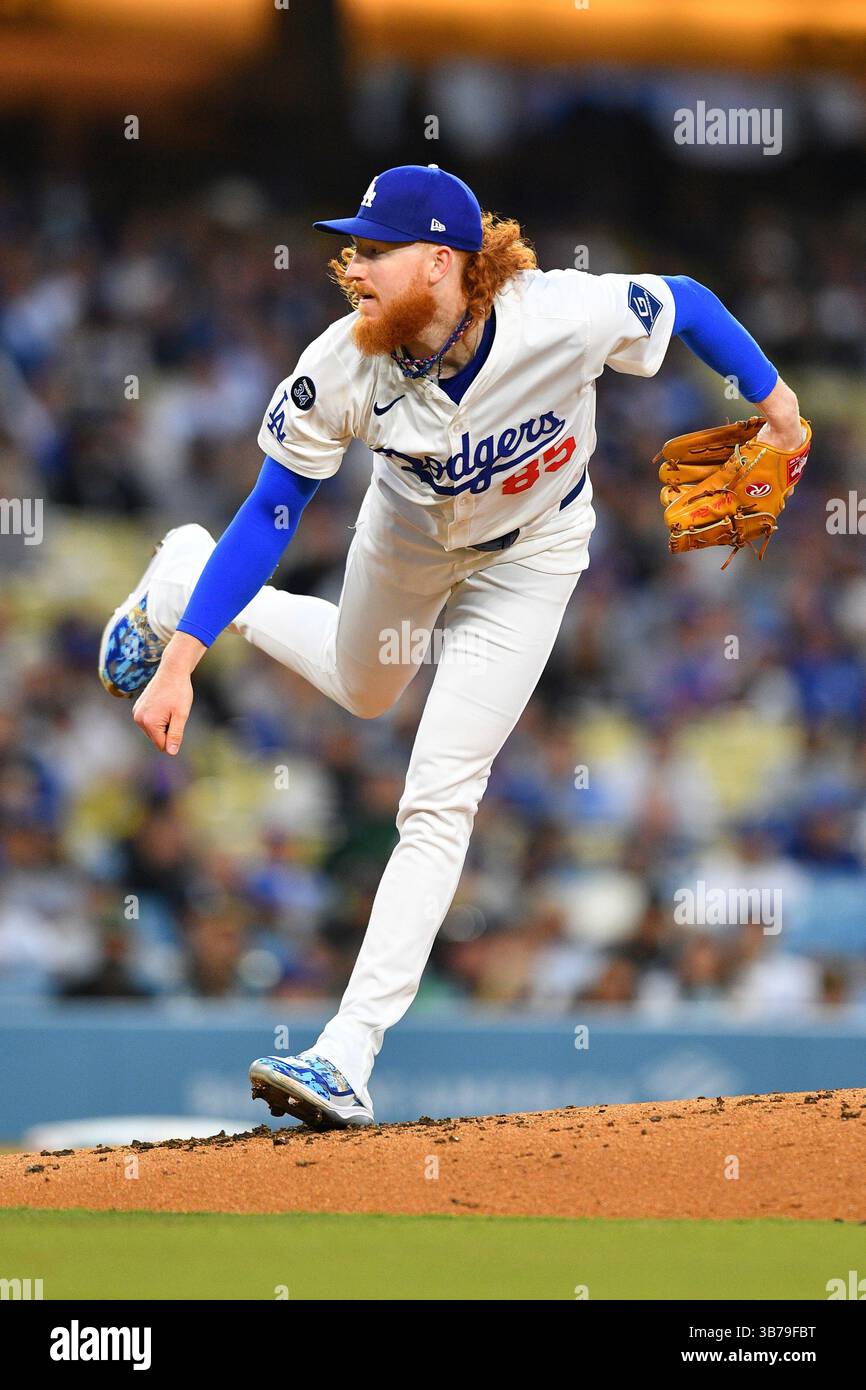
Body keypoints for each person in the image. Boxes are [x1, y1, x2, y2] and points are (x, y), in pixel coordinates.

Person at [99, 164, 807, 1129]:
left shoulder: (560, 314)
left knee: (440, 797)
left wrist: (776, 403)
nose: (354, 268)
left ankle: (348, 1051)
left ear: (441, 262)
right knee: (362, 688)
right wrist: (183, 656)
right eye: (354, 249)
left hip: (535, 554)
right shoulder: (344, 360)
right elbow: (273, 507)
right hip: (409, 539)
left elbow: (683, 302)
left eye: (376, 252)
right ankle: (185, 582)